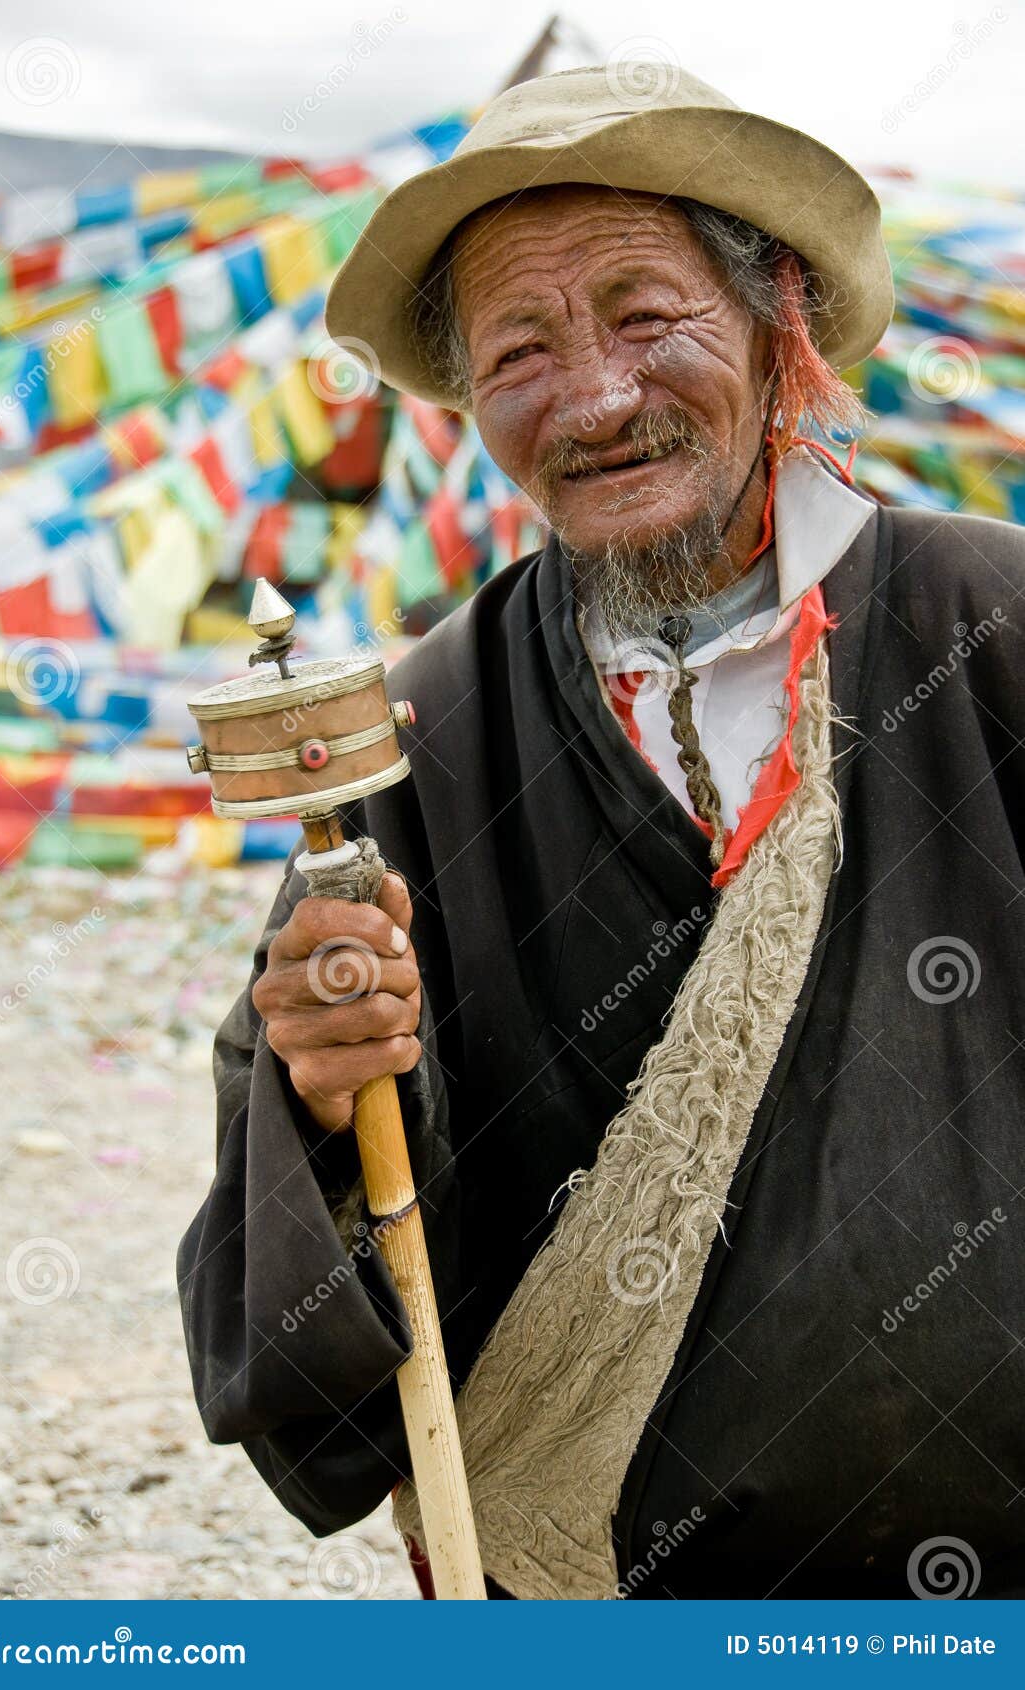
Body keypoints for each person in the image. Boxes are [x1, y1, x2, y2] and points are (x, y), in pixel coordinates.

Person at [179, 65, 1025, 1599]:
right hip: (599, 1595)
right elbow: (322, 1177)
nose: (594, 399)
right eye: (520, 351)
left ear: (776, 318)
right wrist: (324, 1074)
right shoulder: (428, 725)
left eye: (647, 317)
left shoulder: (989, 623)